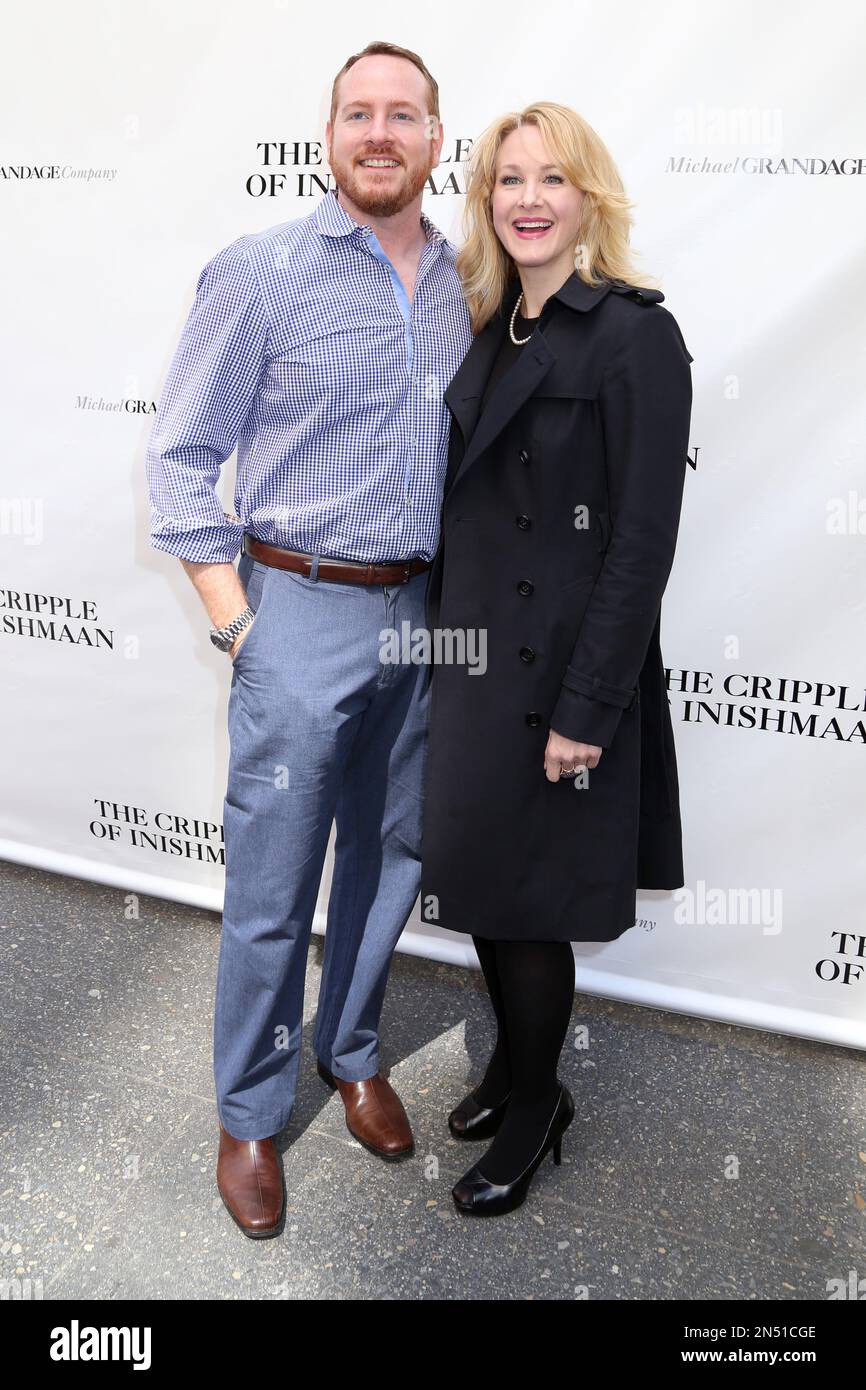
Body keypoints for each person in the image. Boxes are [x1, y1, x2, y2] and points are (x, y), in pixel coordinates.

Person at [145, 42, 471, 1238]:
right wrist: (240, 628)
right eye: (356, 114)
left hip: (425, 615)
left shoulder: (467, 280)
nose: (378, 133)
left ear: (440, 137)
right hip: (298, 606)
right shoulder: (261, 272)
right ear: (327, 135)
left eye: (403, 114)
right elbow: (180, 457)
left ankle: (354, 1053)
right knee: (274, 884)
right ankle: (248, 1109)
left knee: (390, 858)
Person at [420, 103, 694, 1216]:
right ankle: (512, 1067)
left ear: (589, 197)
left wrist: (590, 704)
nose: (526, 198)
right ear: (486, 201)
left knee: (528, 902)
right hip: (475, 666)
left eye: (550, 178)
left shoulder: (632, 334)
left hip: (563, 679)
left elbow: (640, 543)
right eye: (505, 180)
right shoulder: (493, 325)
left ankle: (537, 1102)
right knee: (488, 883)